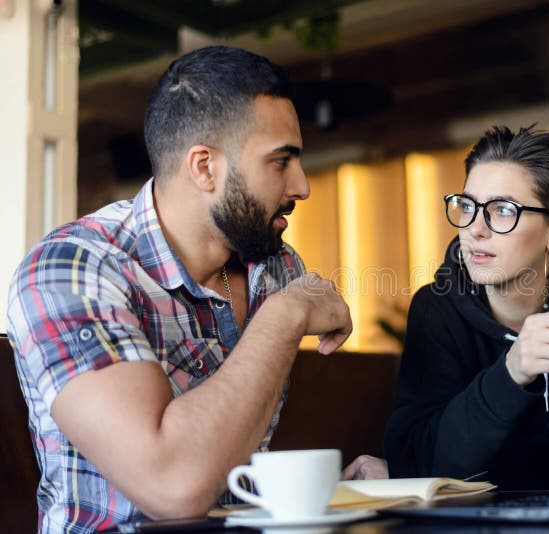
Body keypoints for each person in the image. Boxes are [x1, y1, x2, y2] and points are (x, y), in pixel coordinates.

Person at [6, 46, 355, 532]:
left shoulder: (275, 266)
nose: (302, 186)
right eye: (281, 161)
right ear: (204, 167)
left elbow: (233, 465)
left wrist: (335, 488)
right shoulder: (71, 267)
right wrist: (283, 316)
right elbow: (174, 486)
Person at [384, 125, 549, 489]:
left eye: (502, 210)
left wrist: (472, 468)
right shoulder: (435, 309)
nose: (475, 229)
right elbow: (416, 459)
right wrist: (511, 371)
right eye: (467, 206)